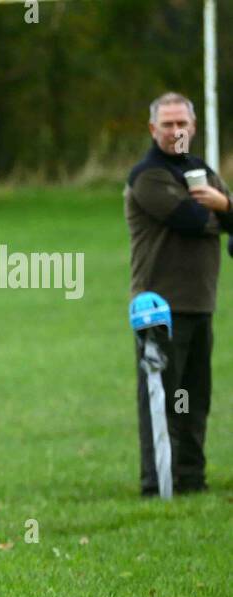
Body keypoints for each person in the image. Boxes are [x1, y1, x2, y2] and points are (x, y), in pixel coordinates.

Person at [125, 92, 233, 495]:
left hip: (200, 303)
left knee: (192, 397)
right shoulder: (147, 176)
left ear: (194, 127)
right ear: (153, 129)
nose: (175, 131)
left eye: (182, 123)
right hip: (158, 308)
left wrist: (223, 206)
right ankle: (158, 482)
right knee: (162, 398)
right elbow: (189, 220)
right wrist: (222, 210)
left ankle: (191, 475)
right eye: (167, 124)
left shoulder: (200, 169)